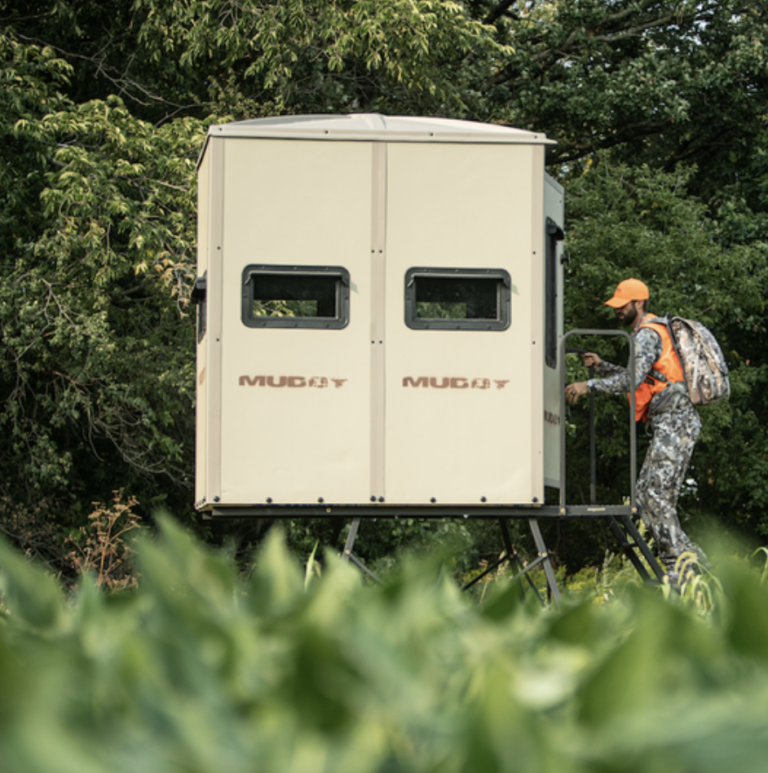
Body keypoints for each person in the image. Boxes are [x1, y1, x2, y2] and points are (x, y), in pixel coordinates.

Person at [565, 278, 707, 584]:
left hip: (675, 421)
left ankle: (681, 567)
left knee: (655, 496)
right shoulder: (654, 332)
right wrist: (601, 365)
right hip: (672, 422)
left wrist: (587, 385)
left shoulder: (646, 334)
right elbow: (644, 379)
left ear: (639, 303)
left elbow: (631, 382)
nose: (618, 311)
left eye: (622, 305)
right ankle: (688, 560)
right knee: (645, 495)